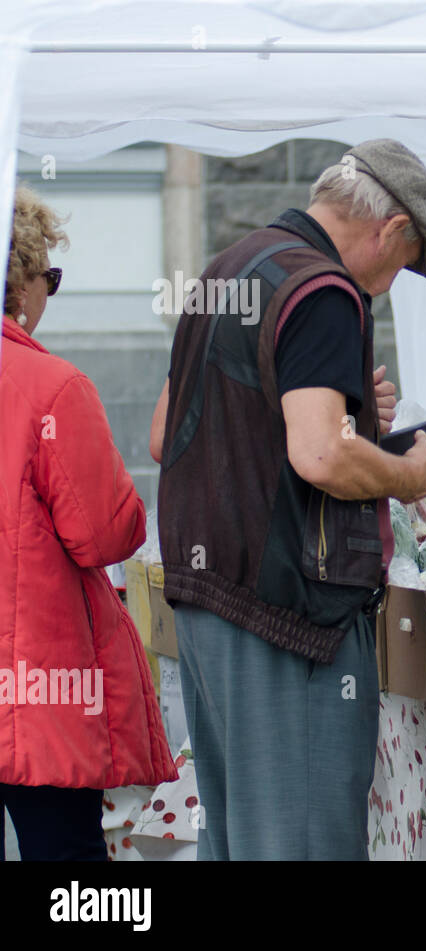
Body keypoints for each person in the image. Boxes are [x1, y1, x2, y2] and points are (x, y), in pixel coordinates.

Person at [149, 140, 426, 860]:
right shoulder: (323, 292)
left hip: (208, 598)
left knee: (239, 839)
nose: (388, 284)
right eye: (404, 264)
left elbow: (169, 434)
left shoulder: (231, 267)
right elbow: (316, 454)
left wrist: (346, 414)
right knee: (301, 842)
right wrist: (404, 474)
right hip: (285, 615)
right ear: (392, 230)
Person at [1, 184, 176, 860]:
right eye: (53, 276)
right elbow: (105, 532)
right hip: (35, 684)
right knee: (68, 865)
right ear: (23, 278)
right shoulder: (51, 386)